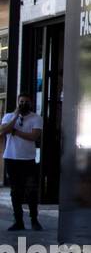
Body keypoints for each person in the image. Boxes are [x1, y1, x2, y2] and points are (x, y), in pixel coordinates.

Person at [2, 94, 43, 232]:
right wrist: (15, 116)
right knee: (15, 191)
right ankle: (18, 221)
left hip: (28, 159)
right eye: (21, 101)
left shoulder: (36, 118)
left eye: (26, 102)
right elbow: (3, 131)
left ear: (31, 103)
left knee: (31, 190)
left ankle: (34, 219)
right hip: (11, 158)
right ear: (17, 102)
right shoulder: (8, 116)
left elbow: (34, 136)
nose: (23, 104)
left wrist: (15, 132)